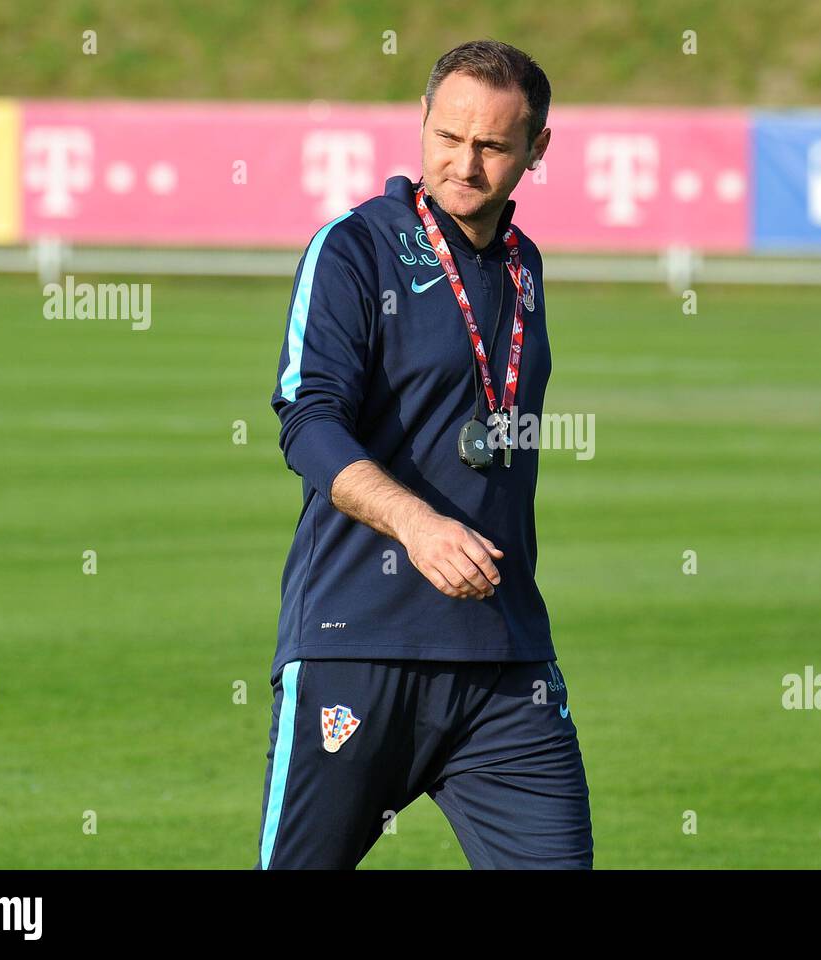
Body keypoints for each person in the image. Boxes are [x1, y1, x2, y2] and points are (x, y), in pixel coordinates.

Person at [257, 39, 593, 869]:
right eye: (449, 137)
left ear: (537, 151)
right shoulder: (353, 248)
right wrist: (416, 523)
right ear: (421, 121)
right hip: (357, 644)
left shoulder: (524, 267)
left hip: (506, 660)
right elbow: (308, 416)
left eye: (492, 146)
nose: (465, 164)